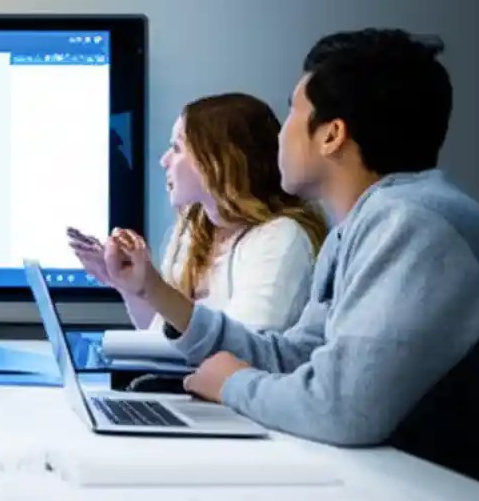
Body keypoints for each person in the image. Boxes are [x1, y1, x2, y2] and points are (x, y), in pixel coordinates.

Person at [102, 28, 479, 493]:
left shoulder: (414, 223)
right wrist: (215, 356)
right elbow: (292, 357)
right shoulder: (361, 227)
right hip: (413, 487)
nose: (279, 134)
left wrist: (234, 384)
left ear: (331, 135)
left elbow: (342, 408)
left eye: (292, 114)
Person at [69, 93, 329, 333]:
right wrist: (129, 286)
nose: (165, 160)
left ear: (220, 161)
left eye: (178, 148)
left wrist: (152, 286)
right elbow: (160, 332)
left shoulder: (281, 237)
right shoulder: (194, 230)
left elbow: (244, 346)